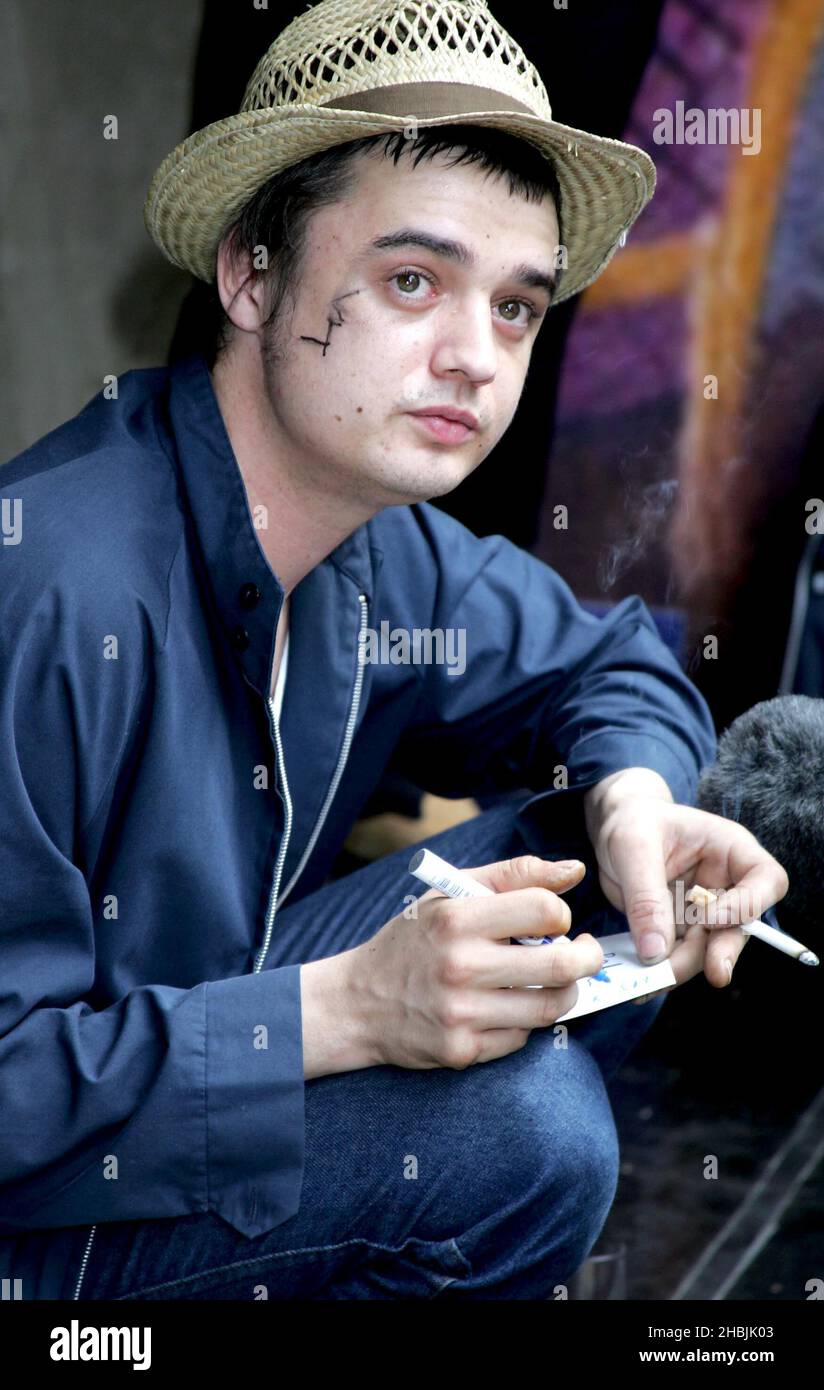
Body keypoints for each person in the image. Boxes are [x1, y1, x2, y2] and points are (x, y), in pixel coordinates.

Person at [0, 0, 787, 1301]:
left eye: (520, 306)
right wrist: (346, 1013)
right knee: (520, 1133)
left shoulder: (379, 549)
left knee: (597, 866)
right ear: (252, 271)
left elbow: (614, 666)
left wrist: (643, 800)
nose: (476, 356)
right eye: (413, 281)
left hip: (174, 1074)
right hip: (42, 1223)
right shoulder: (51, 582)